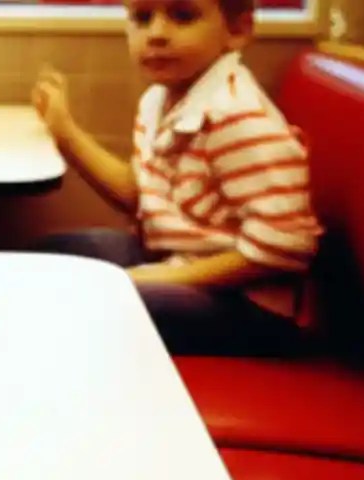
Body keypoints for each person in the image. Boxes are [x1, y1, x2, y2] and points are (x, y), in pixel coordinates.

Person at [30, 0, 322, 356]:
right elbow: (138, 195)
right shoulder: (160, 100)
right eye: (141, 17)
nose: (156, 34)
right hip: (181, 262)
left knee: (96, 303)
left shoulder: (237, 117)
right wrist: (66, 133)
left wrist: (159, 277)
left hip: (252, 307)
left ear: (237, 30)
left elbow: (283, 248)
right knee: (50, 258)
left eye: (183, 16)